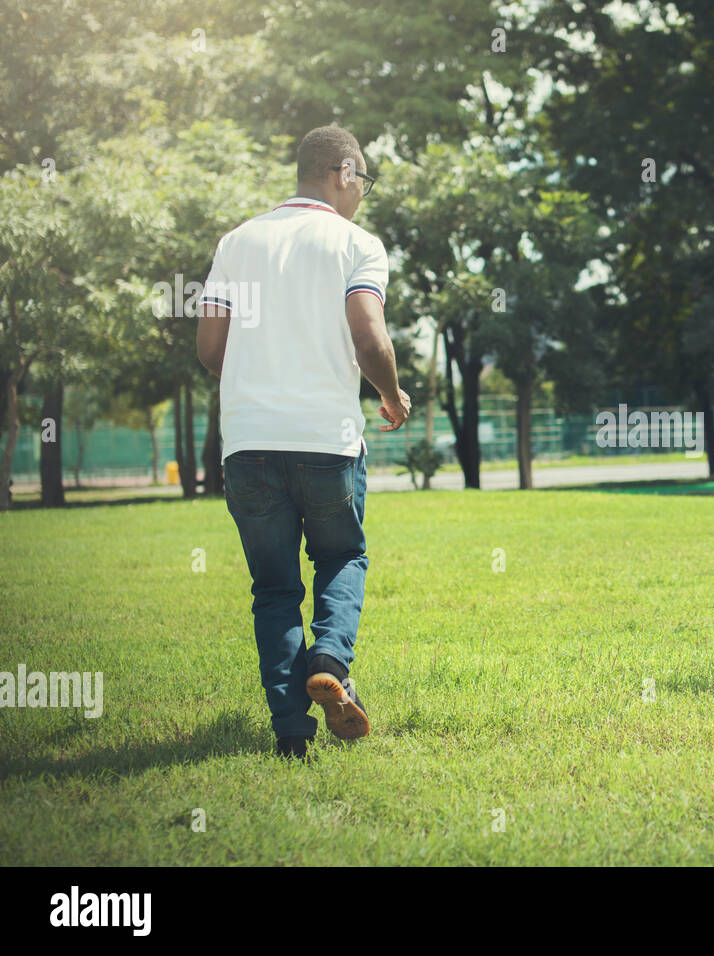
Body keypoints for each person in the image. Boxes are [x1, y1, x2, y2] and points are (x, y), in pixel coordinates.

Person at [197, 125, 411, 758]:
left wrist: (259, 378)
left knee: (274, 590)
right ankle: (331, 663)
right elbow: (369, 336)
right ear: (344, 172)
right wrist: (392, 394)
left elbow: (210, 348)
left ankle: (291, 734)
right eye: (363, 181)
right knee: (342, 557)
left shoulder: (236, 242)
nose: (363, 195)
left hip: (249, 444)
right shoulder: (356, 244)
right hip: (327, 440)